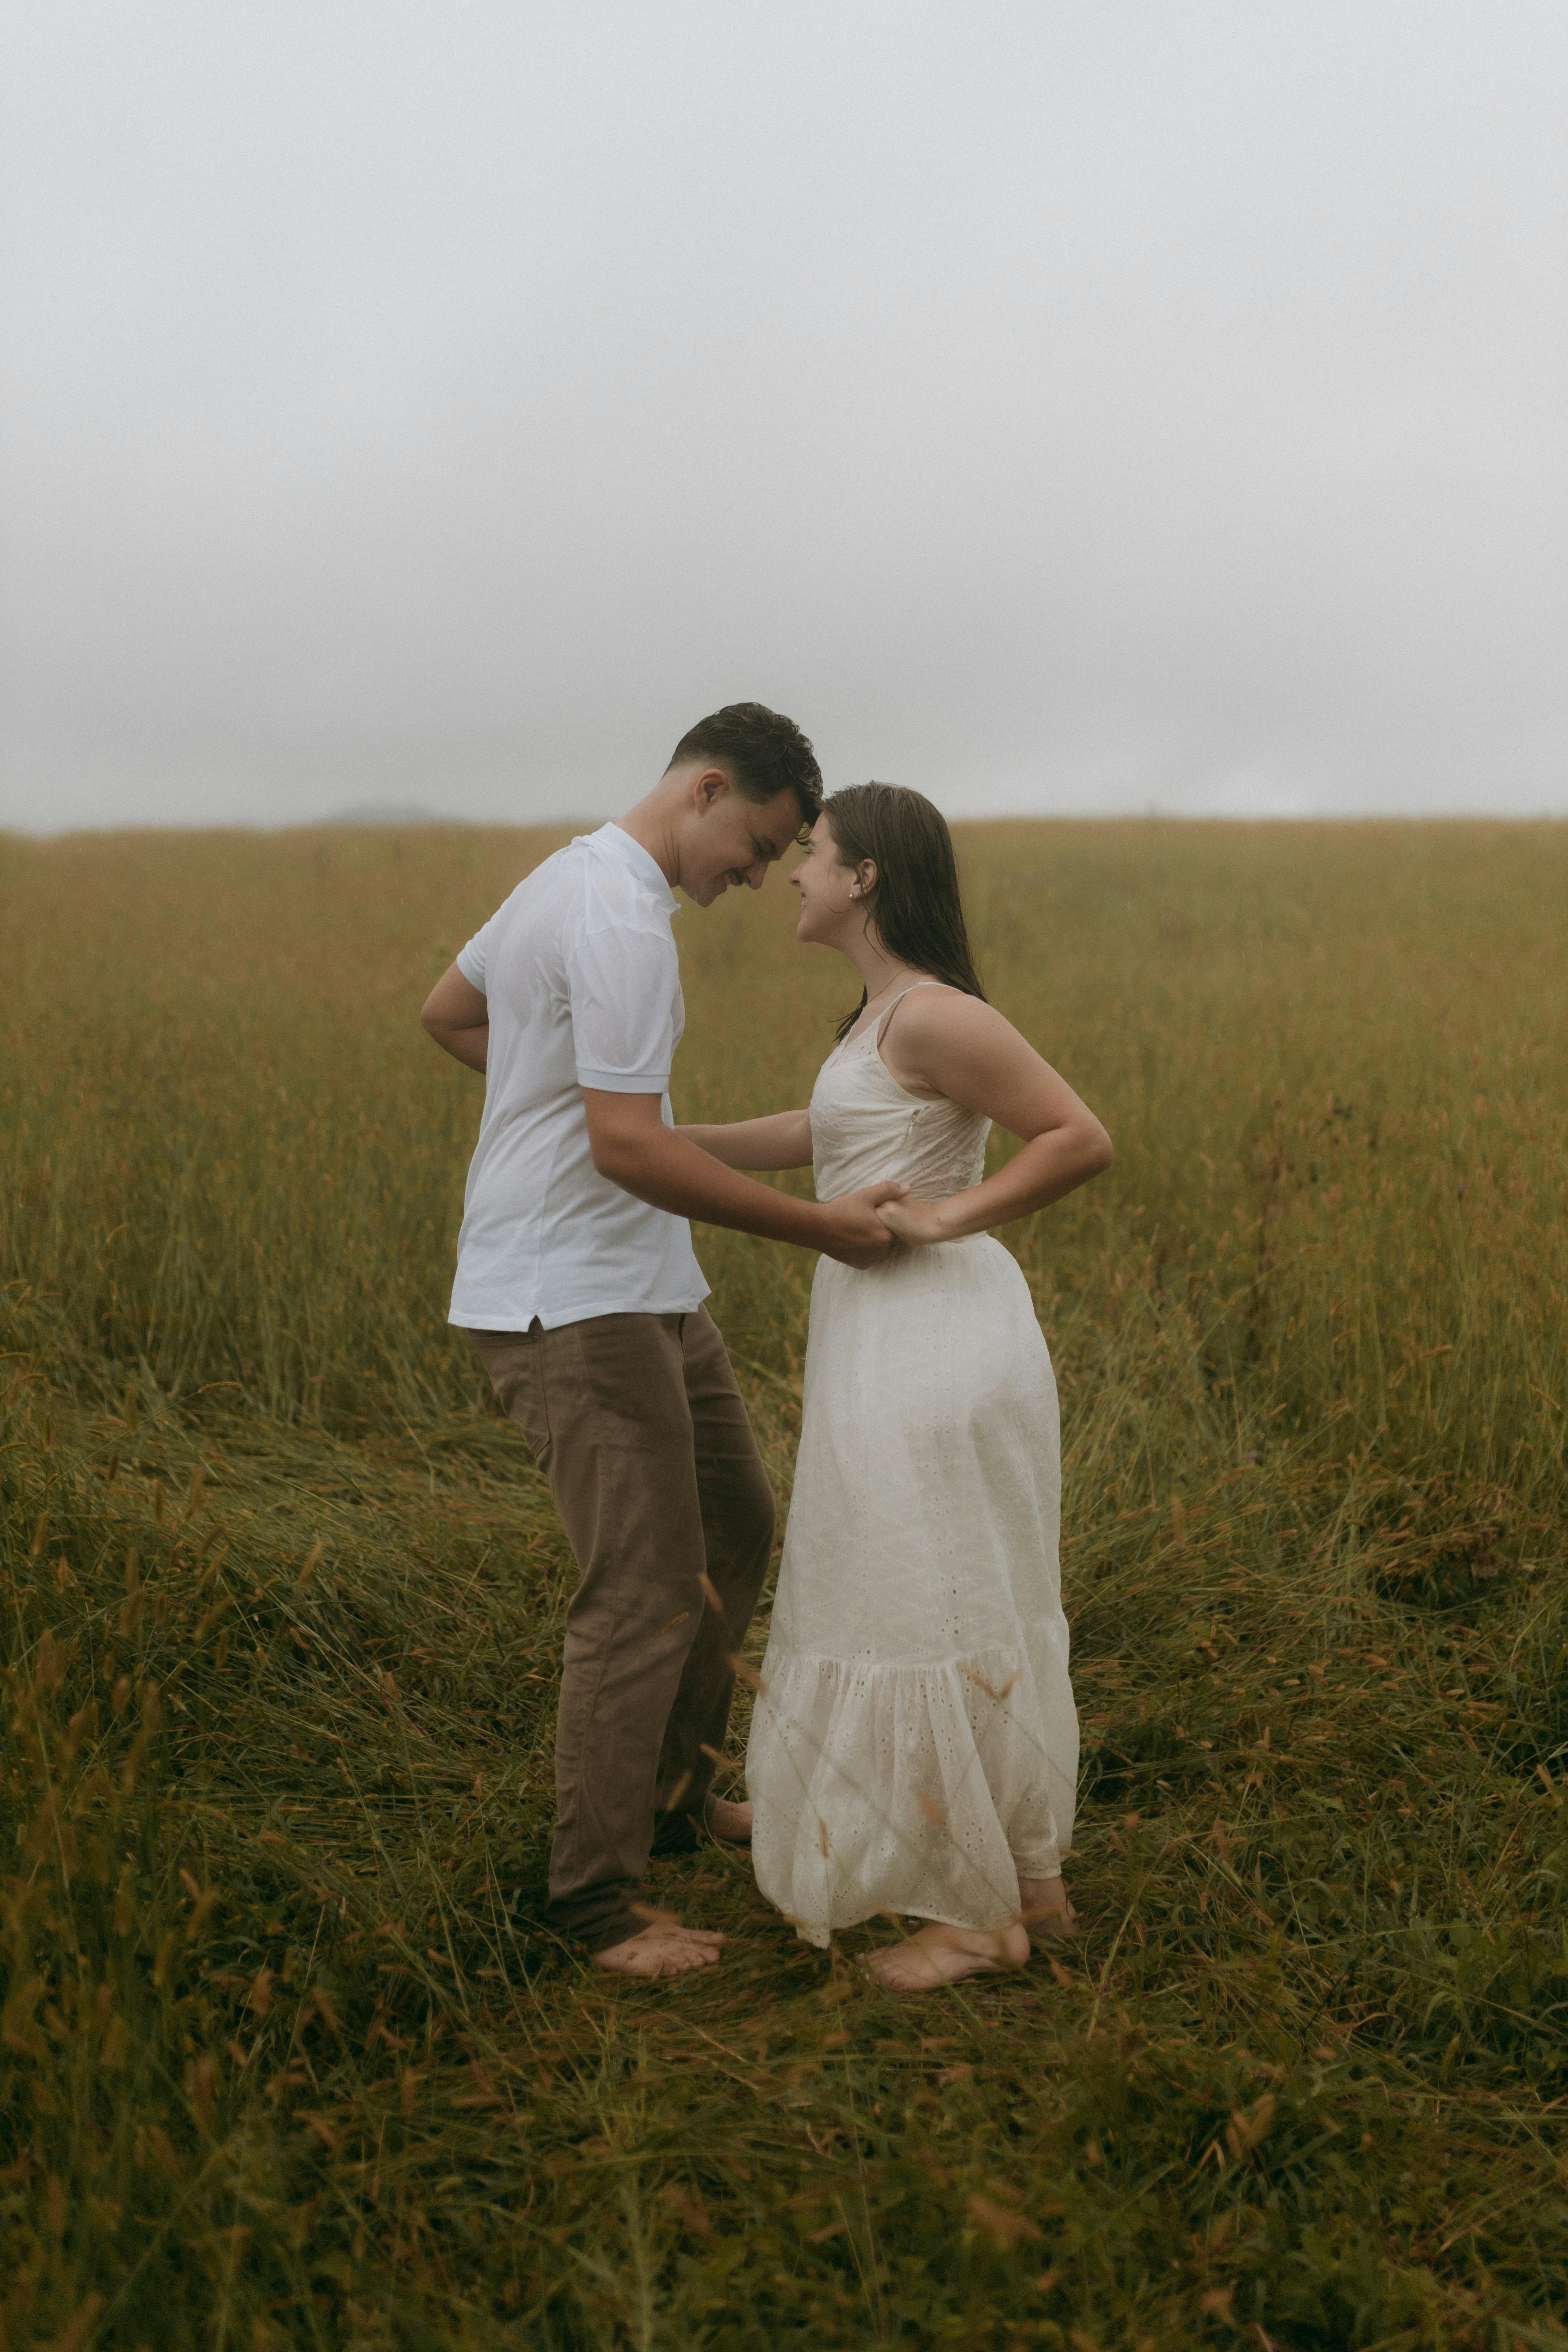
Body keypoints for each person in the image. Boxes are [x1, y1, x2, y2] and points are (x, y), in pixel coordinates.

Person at [420, 708, 906, 1980]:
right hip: (569, 1297)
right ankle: (596, 1900)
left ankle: (675, 1802)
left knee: (736, 1525)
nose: (754, 876)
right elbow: (629, 1146)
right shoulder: (619, 918)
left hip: (645, 1283)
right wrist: (820, 1230)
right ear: (704, 790)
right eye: (758, 843)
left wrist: (549, 1090)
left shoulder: (562, 879)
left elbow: (451, 1013)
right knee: (640, 1584)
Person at [678, 784, 1112, 1989]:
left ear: (866, 878)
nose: (797, 874)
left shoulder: (932, 1015)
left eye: (814, 855)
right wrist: (669, 1141)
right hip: (890, 1329)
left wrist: (944, 1218)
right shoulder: (878, 1022)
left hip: (935, 1334)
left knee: (924, 1595)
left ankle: (977, 1914)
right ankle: (1032, 1884)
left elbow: (1078, 1134)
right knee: (953, 1589)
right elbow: (828, 1137)